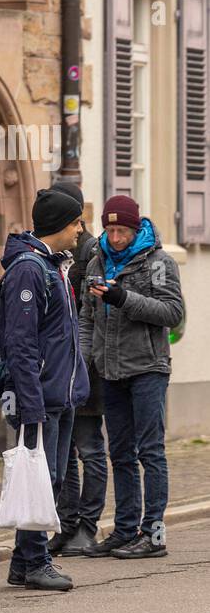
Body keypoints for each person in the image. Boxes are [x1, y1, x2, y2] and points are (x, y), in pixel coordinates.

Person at [79, 195, 184, 560]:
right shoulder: (97, 259)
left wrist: (123, 297)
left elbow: (172, 312)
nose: (115, 236)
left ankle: (153, 533)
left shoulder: (158, 262)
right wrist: (86, 357)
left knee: (150, 451)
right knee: (119, 452)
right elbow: (86, 317)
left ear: (135, 228)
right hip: (110, 370)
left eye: (122, 229)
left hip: (148, 368)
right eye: (109, 229)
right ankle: (125, 530)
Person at [0, 189, 90, 591]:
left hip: (60, 393)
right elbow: (21, 342)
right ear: (58, 226)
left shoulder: (54, 267)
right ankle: (37, 561)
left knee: (48, 478)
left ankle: (23, 563)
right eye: (76, 222)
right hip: (42, 396)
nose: (81, 229)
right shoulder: (30, 269)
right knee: (40, 477)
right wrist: (31, 401)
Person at [47, 181, 108, 557]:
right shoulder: (56, 252)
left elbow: (91, 316)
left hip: (88, 368)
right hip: (64, 367)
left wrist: (82, 360)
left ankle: (88, 525)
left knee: (89, 448)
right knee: (66, 452)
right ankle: (65, 524)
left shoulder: (91, 252)